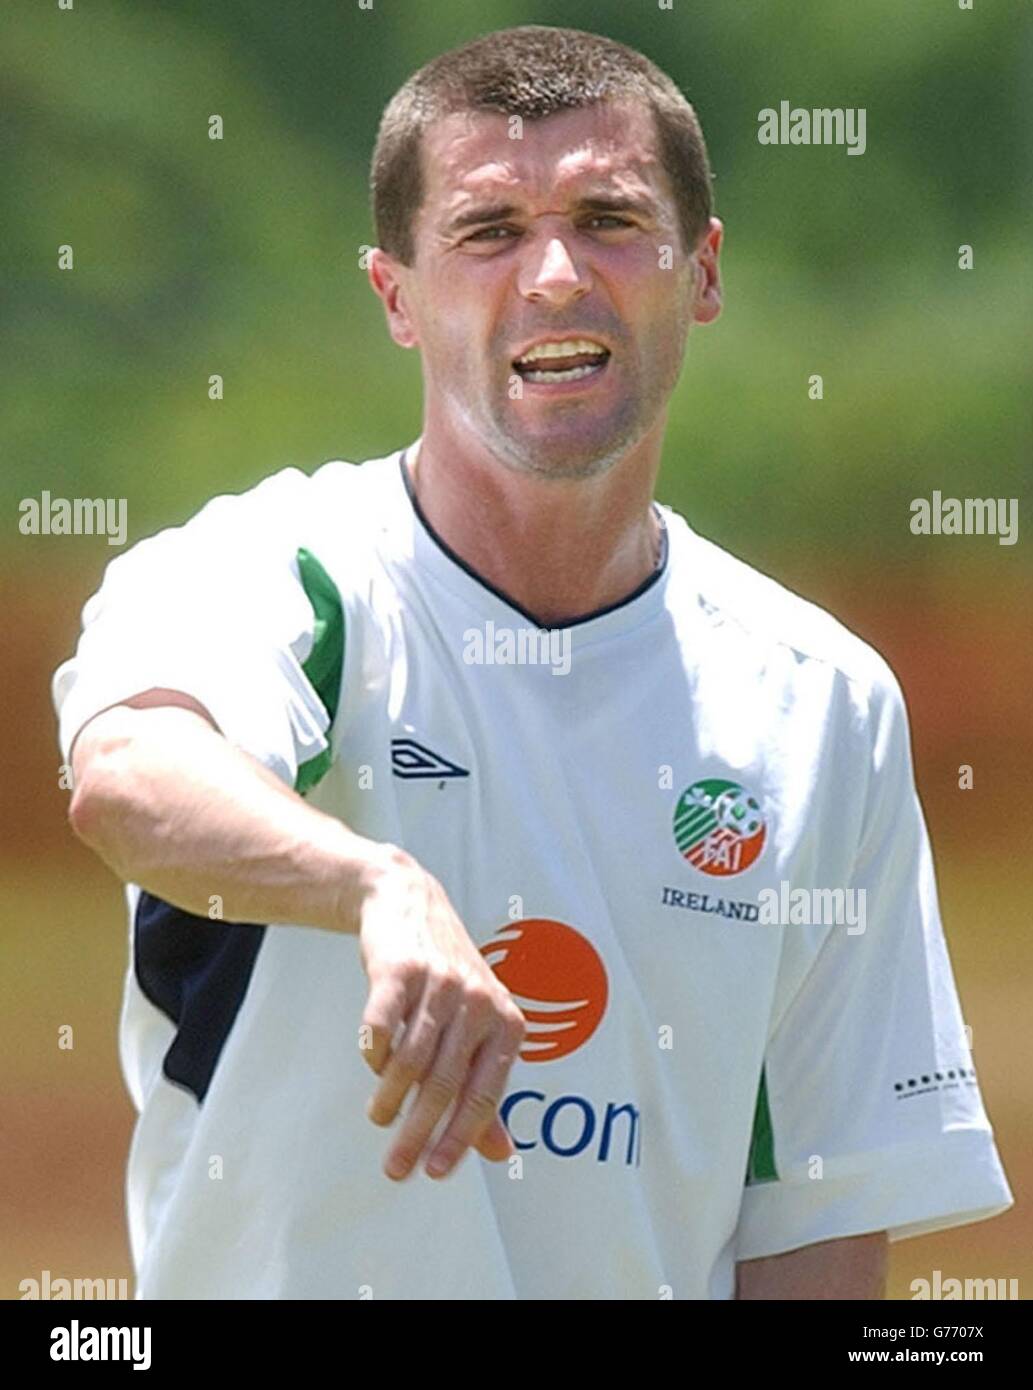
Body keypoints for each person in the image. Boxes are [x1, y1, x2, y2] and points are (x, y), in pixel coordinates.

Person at [53, 25, 1012, 1300]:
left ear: (703, 270)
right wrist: (375, 886)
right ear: (397, 295)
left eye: (610, 217)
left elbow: (818, 1227)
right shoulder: (281, 575)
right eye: (488, 230)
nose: (555, 274)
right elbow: (127, 774)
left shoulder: (821, 701)